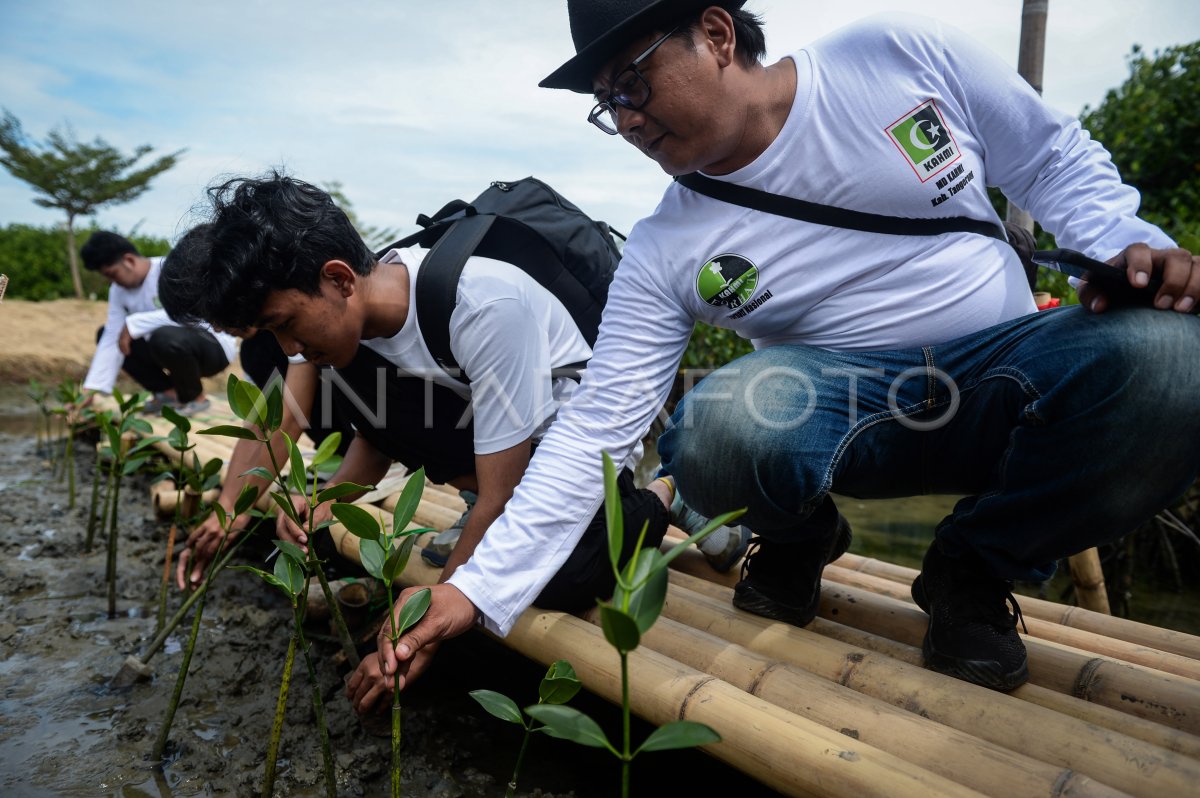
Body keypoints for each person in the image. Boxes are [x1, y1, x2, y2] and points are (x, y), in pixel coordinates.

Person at [375, 0, 1200, 695]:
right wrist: (475, 589)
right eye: (606, 104)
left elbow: (1051, 158)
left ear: (716, 35)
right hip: (847, 415)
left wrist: (1127, 248)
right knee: (712, 428)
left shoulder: (894, 57)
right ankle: (799, 537)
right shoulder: (665, 247)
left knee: (1175, 357)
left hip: (1009, 375)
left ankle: (975, 567)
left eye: (633, 83)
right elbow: (599, 423)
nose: (625, 120)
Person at [158, 174, 736, 712]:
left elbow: (502, 497)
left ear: (339, 279)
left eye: (287, 325)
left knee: (562, 578)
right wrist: (327, 501)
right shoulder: (349, 327)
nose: (289, 349)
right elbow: (377, 435)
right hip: (498, 450)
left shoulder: (482, 305)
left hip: (573, 448)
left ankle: (663, 491)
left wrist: (427, 617)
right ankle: (485, 521)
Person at [80, 231, 236, 415]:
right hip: (165, 349)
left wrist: (135, 323)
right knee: (109, 335)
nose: (112, 282)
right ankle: (168, 394)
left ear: (129, 260)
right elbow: (111, 337)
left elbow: (191, 313)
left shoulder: (170, 269)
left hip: (211, 346)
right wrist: (90, 389)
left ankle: (194, 397)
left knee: (162, 336)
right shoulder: (117, 291)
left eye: (112, 274)